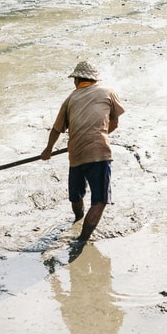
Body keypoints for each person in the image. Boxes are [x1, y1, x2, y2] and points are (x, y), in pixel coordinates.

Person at [41, 60, 125, 246]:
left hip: (76, 154)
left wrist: (48, 150)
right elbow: (115, 123)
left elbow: (56, 130)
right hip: (99, 153)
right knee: (100, 200)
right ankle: (82, 241)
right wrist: (99, 135)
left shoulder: (70, 99)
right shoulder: (108, 92)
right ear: (94, 80)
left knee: (76, 195)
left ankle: (77, 218)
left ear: (77, 80)